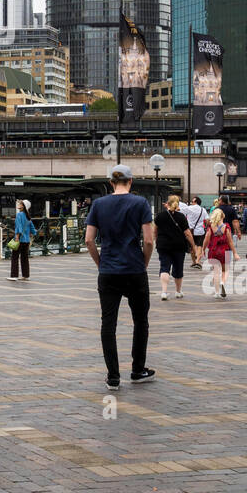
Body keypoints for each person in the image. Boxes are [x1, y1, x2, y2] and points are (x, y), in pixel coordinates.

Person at [85, 165, 156, 390]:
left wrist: (101, 263)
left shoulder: (98, 204)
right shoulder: (140, 203)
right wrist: (143, 263)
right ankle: (137, 370)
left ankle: (113, 376)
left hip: (108, 272)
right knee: (140, 321)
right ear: (131, 181)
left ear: (110, 183)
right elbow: (149, 240)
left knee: (108, 324)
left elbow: (89, 240)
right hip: (135, 270)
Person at [155, 194, 194, 300]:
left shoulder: (160, 215)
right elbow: (187, 233)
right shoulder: (181, 217)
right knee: (178, 268)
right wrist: (193, 246)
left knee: (164, 267)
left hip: (163, 245)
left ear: (168, 203)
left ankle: (164, 292)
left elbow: (155, 230)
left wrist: (157, 240)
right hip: (179, 246)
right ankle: (178, 291)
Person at [204, 208, 236, 298]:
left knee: (216, 271)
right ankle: (223, 282)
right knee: (225, 270)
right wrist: (235, 253)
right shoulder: (226, 227)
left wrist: (203, 249)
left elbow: (206, 238)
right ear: (223, 216)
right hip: (226, 251)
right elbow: (230, 241)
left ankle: (217, 292)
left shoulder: (211, 227)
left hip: (213, 251)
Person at [9, 199, 34, 282]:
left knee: (15, 257)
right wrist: (31, 234)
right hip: (26, 241)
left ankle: (14, 276)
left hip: (20, 239)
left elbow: (18, 227)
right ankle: (25, 275)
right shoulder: (28, 216)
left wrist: (17, 237)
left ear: (23, 206)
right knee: (24, 258)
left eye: (20, 203)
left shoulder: (19, 215)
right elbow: (33, 229)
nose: (19, 204)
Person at [184, 196, 209, 268]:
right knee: (199, 246)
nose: (191, 202)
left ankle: (194, 262)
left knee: (192, 246)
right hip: (200, 231)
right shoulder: (203, 210)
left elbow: (183, 215)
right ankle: (198, 261)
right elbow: (207, 220)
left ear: (196, 202)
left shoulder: (188, 208)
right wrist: (206, 227)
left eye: (192, 201)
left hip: (190, 231)